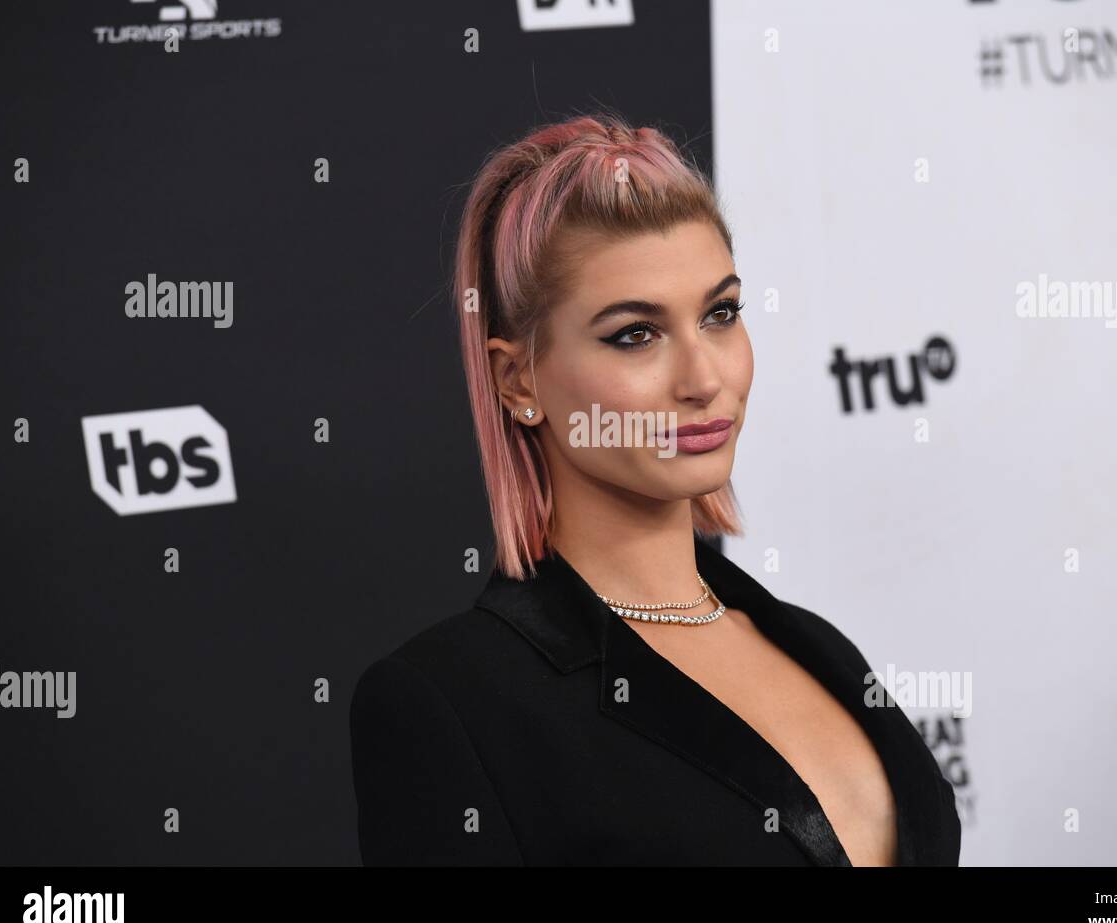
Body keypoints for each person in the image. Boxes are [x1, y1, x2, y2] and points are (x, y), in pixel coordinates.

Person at [349, 112, 961, 866]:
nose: (705, 380)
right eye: (635, 334)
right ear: (518, 381)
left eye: (721, 314)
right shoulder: (449, 704)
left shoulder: (815, 645)